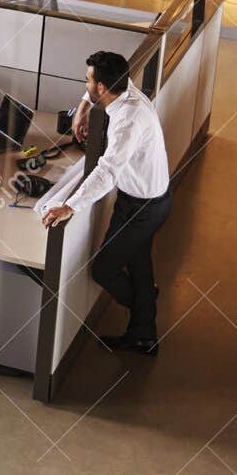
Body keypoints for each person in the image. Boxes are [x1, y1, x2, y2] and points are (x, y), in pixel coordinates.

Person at [37, 50, 172, 356]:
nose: (85, 83)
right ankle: (143, 336)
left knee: (103, 269)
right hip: (143, 199)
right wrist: (84, 106)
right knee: (139, 266)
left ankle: (145, 303)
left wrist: (70, 206)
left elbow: (108, 171)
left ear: (101, 87)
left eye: (88, 81)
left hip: (144, 208)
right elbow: (94, 90)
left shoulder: (127, 122)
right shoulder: (126, 91)